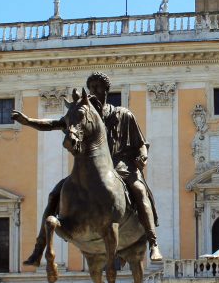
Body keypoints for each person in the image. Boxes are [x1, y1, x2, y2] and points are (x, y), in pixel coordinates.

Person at [14, 71, 164, 267]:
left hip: (121, 165)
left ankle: (153, 243)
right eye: (91, 87)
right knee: (54, 194)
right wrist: (29, 122)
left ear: (106, 91)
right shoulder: (81, 115)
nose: (94, 90)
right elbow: (56, 124)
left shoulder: (123, 114)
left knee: (139, 191)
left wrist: (143, 154)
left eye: (98, 87)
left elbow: (142, 143)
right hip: (93, 167)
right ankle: (39, 247)